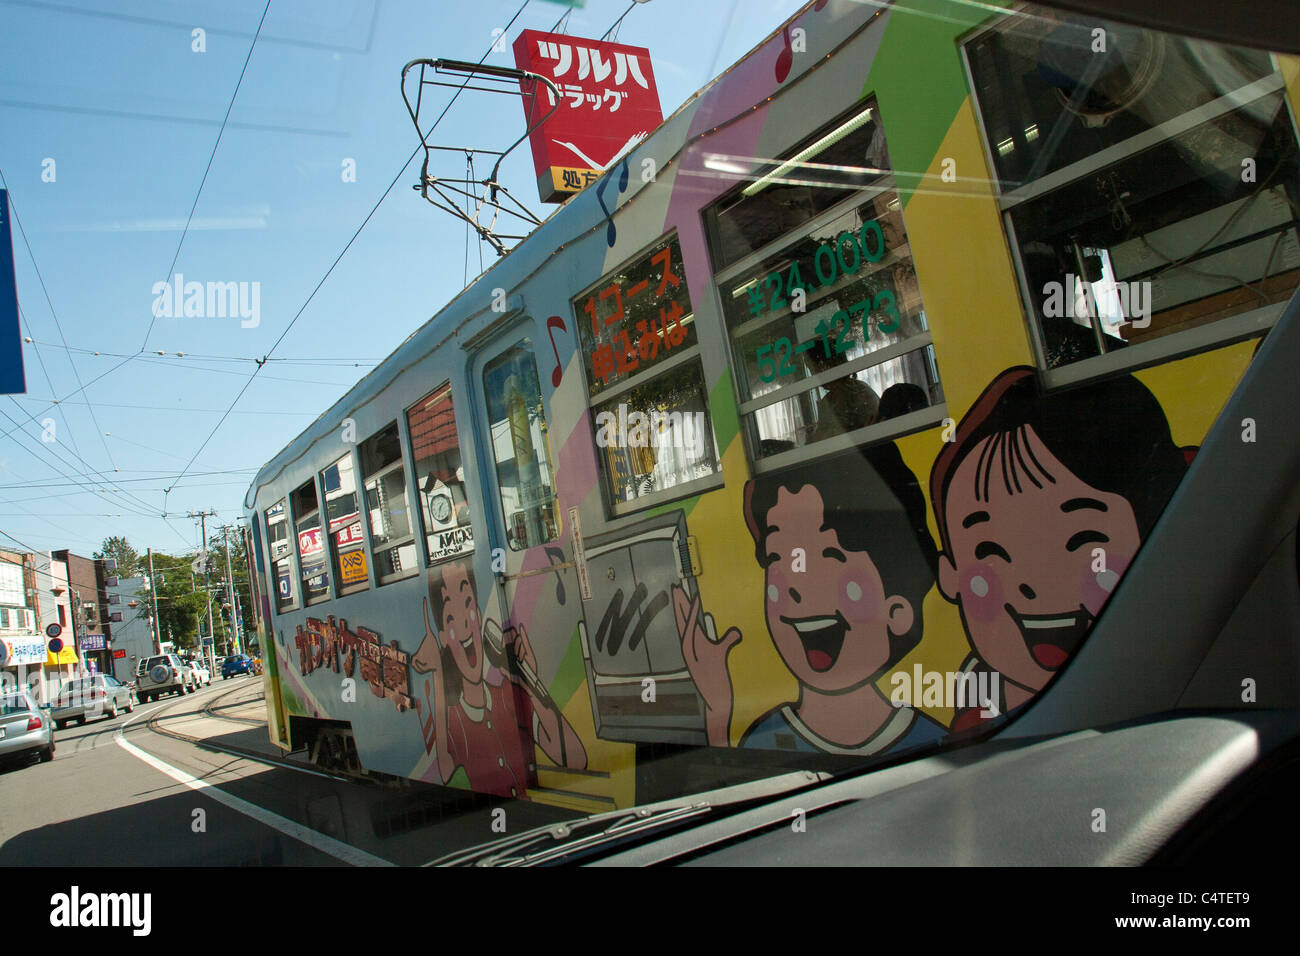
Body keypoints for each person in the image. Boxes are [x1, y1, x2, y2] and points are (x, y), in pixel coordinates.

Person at [930, 367, 1191, 731]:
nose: (1033, 583)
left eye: (1083, 539)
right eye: (990, 550)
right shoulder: (972, 723)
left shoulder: (1185, 673)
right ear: (950, 575)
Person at [676, 441, 945, 756]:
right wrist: (717, 704)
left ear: (897, 611)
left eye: (829, 557)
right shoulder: (763, 740)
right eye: (778, 559)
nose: (795, 588)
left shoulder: (934, 738)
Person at [410, 559, 586, 798]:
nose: (464, 623)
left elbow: (574, 758)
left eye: (469, 603)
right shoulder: (455, 722)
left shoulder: (507, 693)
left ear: (480, 616)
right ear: (442, 638)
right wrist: (438, 671)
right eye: (451, 617)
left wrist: (529, 682)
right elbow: (445, 767)